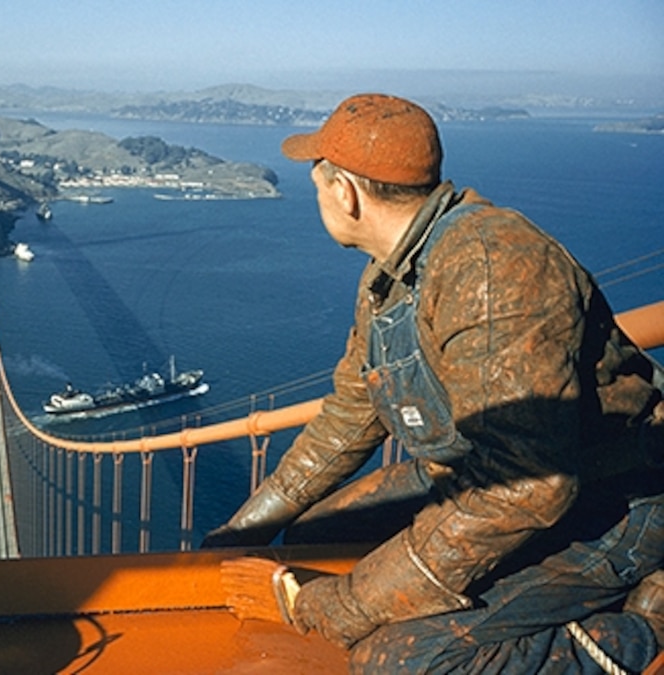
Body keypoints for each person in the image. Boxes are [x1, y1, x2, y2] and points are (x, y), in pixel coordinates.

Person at [203, 93, 664, 673]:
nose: (317, 194)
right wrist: (246, 529)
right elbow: (349, 415)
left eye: (318, 181)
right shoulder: (390, 277)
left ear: (344, 192)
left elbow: (528, 489)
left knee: (398, 659)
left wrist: (348, 604)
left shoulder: (490, 268)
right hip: (482, 481)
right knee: (311, 534)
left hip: (614, 503)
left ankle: (642, 628)